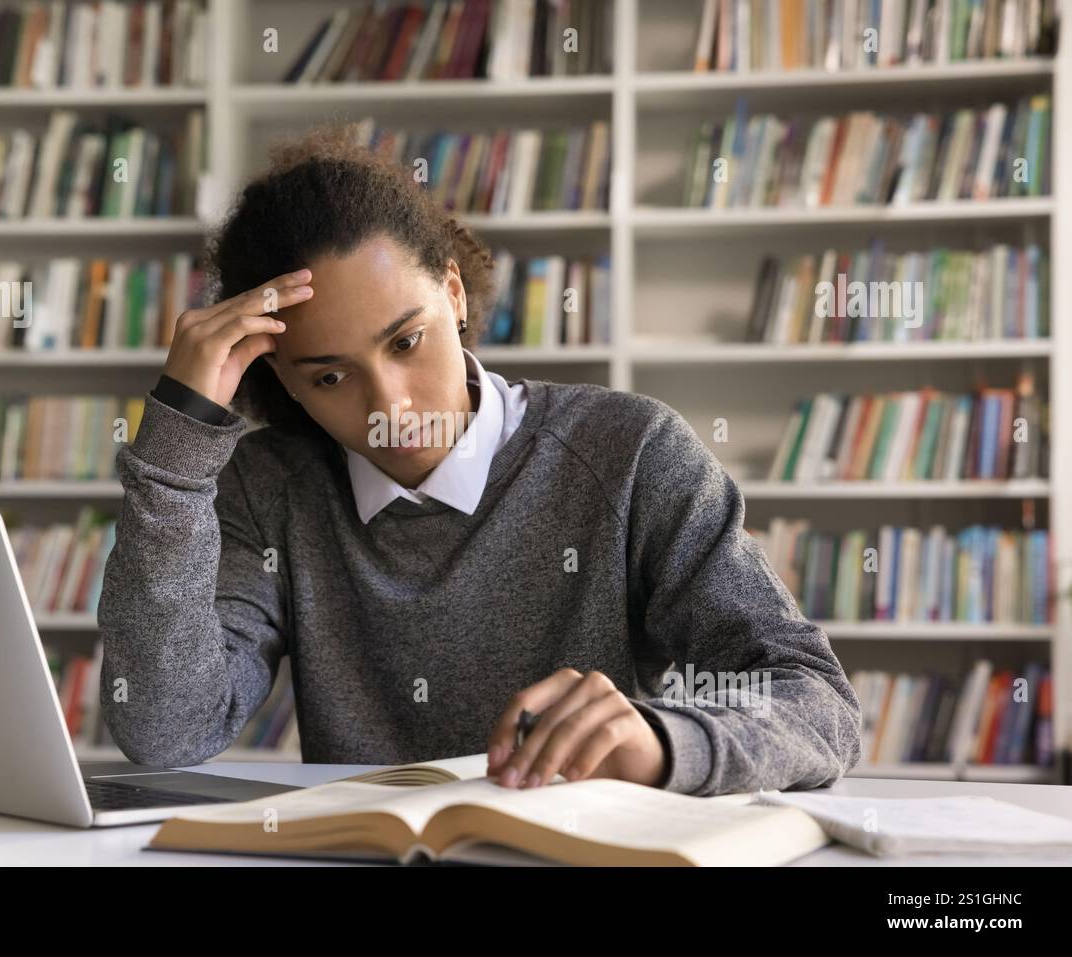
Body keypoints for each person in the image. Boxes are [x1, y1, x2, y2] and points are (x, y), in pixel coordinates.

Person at [97, 123, 862, 796]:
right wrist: (176, 444)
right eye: (329, 376)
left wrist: (664, 744)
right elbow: (166, 729)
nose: (389, 405)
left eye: (406, 341)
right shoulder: (268, 489)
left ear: (454, 294)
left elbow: (817, 701)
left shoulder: (628, 452)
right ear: (282, 381)